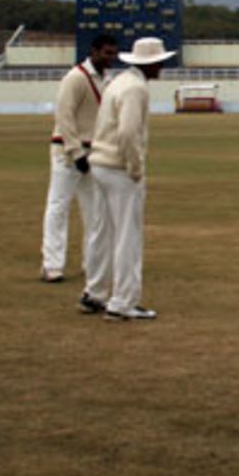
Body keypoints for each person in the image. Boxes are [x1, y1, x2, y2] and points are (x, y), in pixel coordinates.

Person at [79, 37, 176, 321]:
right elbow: (128, 133)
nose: (162, 66)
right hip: (119, 169)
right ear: (152, 63)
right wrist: (135, 168)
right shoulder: (134, 89)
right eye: (160, 62)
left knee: (101, 231)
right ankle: (122, 302)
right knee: (127, 236)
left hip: (100, 164)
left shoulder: (118, 82)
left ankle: (94, 293)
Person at [40, 34, 118, 283]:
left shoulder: (108, 79)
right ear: (93, 51)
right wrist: (75, 152)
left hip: (95, 153)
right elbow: (64, 117)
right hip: (66, 152)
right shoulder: (75, 78)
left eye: (113, 53)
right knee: (58, 207)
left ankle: (91, 263)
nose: (111, 58)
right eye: (107, 53)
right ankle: (52, 266)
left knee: (95, 212)